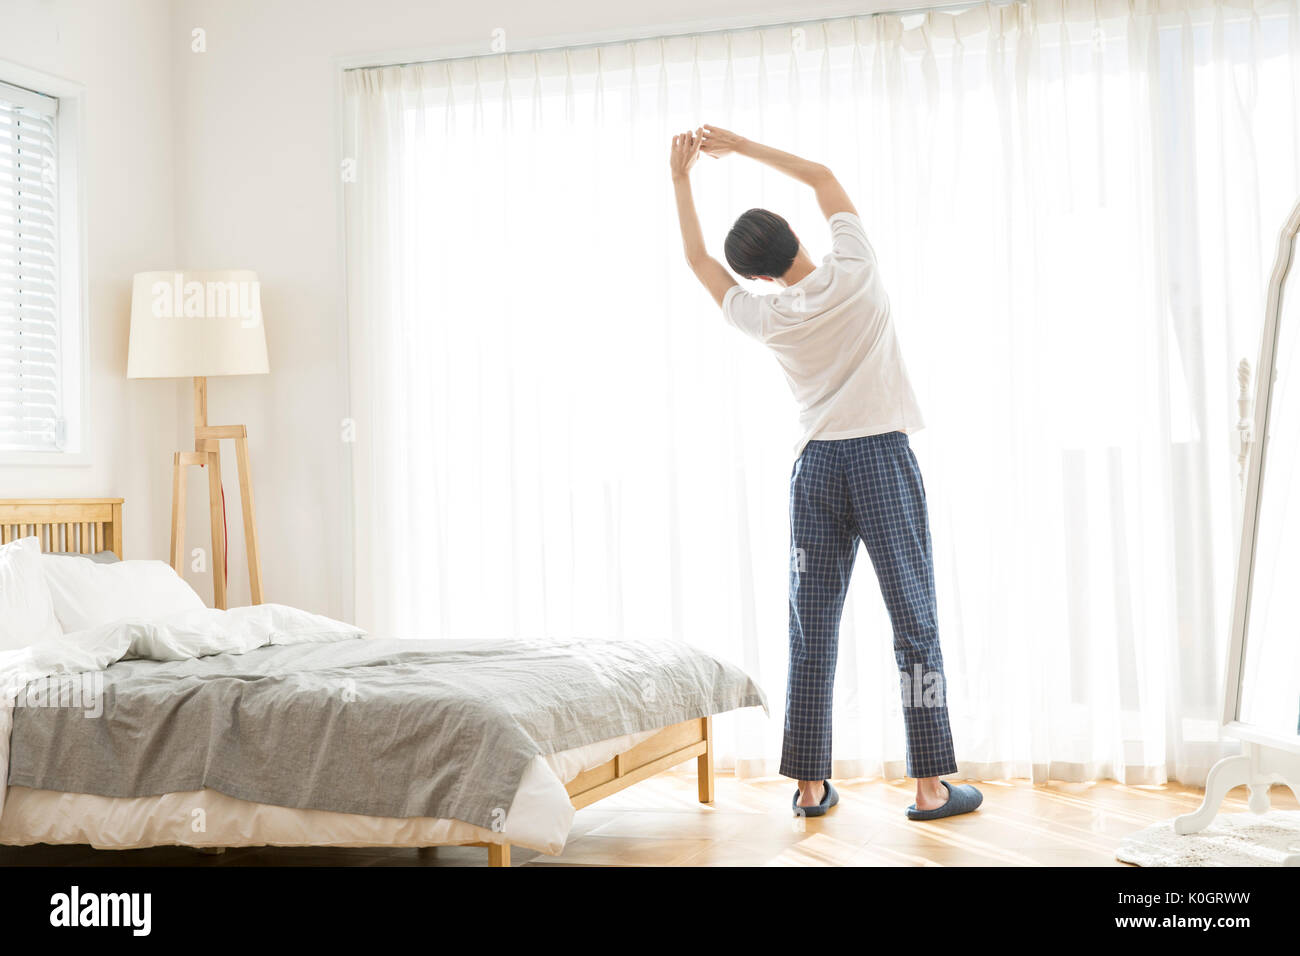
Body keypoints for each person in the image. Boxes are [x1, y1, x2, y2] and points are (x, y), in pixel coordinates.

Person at [669, 125, 982, 820]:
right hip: (880, 461)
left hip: (816, 472)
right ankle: (931, 788)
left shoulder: (767, 316)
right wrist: (738, 147)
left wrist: (680, 178)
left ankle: (810, 787)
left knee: (812, 631)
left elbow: (695, 259)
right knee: (914, 625)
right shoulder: (856, 267)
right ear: (792, 230)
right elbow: (820, 175)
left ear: (754, 275)